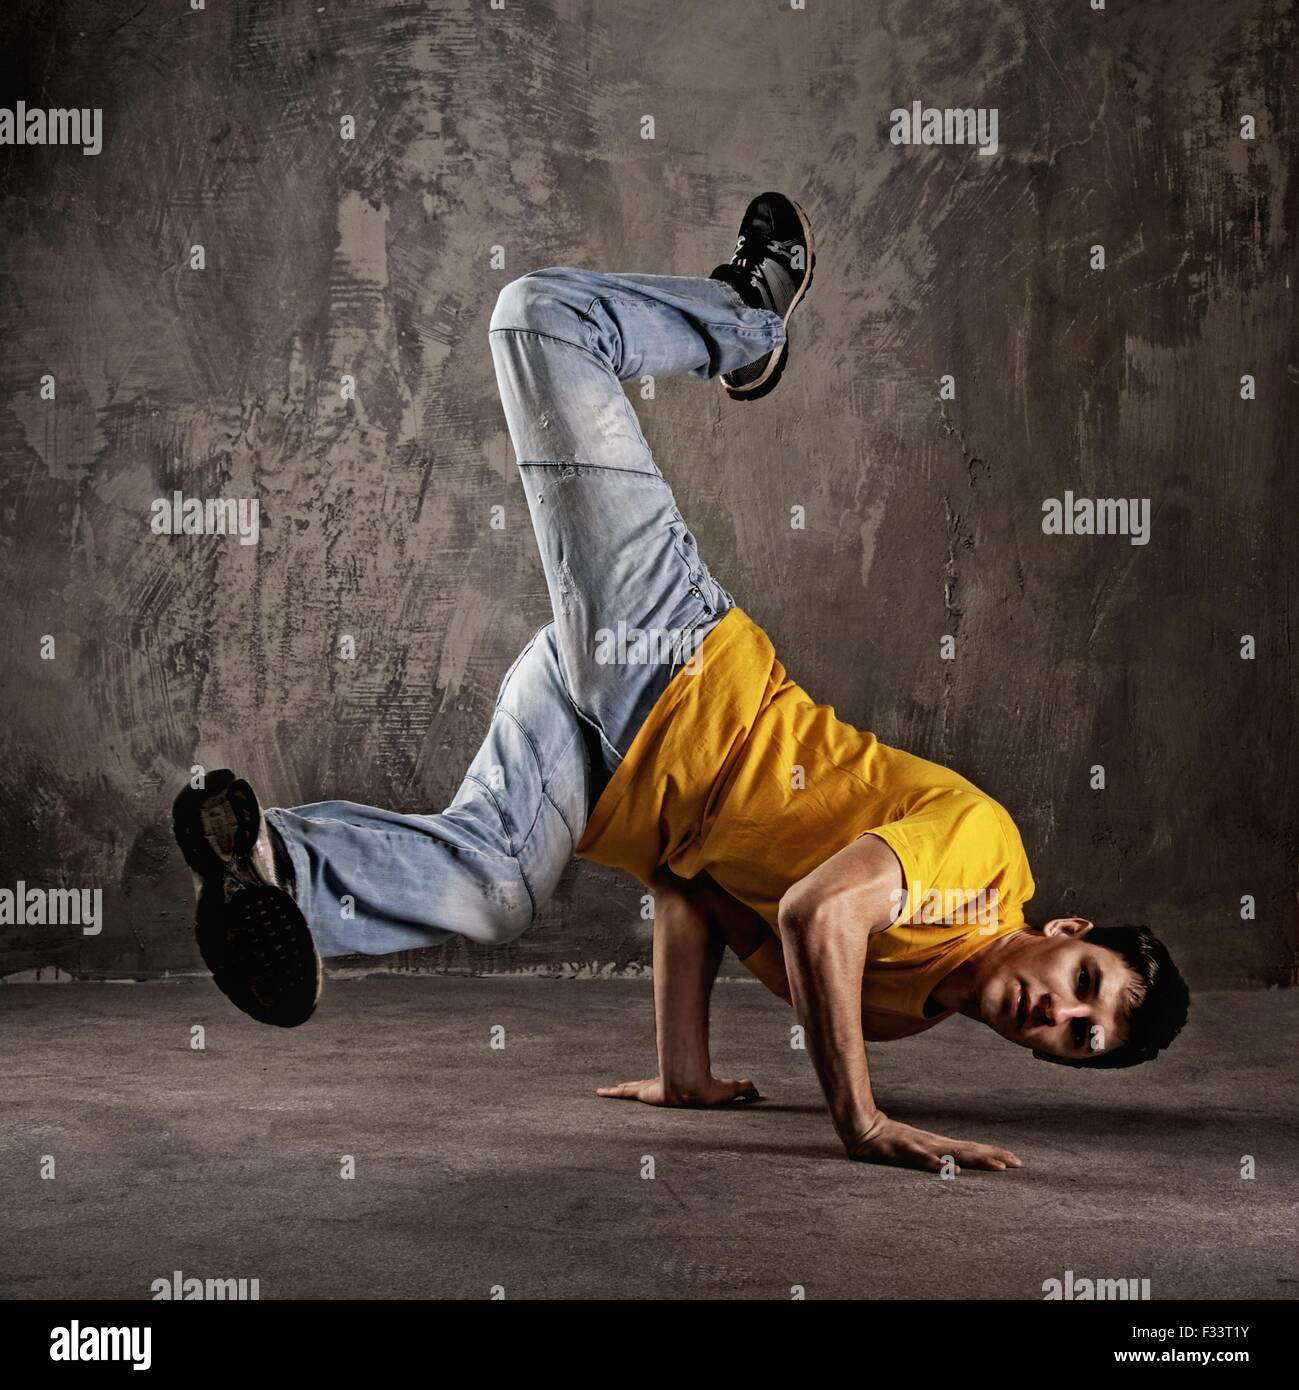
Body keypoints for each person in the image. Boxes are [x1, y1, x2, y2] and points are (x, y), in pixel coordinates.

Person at [172, 193, 1189, 1172]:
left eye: (1082, 1039)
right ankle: (747, 321)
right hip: (677, 667)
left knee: (494, 887)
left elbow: (703, 895)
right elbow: (816, 913)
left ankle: (264, 857)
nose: (1061, 1014)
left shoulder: (894, 1010)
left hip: (610, 770)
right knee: (541, 320)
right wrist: (862, 1120)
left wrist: (684, 1072)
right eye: (1085, 983)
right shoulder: (981, 863)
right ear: (1067, 933)